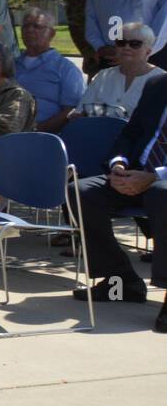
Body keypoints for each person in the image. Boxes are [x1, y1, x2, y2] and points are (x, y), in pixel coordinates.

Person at [72, 69, 167, 333]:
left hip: (161, 179)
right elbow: (131, 132)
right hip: (137, 170)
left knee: (162, 193)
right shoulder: (158, 84)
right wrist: (119, 164)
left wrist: (153, 176)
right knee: (82, 192)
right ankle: (120, 278)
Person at [70, 22, 162, 120]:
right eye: (121, 42)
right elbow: (79, 113)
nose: (126, 47)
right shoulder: (103, 75)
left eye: (135, 44)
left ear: (148, 51)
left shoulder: (161, 80)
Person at [14, 8, 85, 133]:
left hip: (43, 136)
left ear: (52, 34)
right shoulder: (11, 65)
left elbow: (72, 111)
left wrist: (36, 131)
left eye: (36, 26)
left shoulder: (66, 69)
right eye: (26, 26)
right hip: (5, 131)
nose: (30, 30)